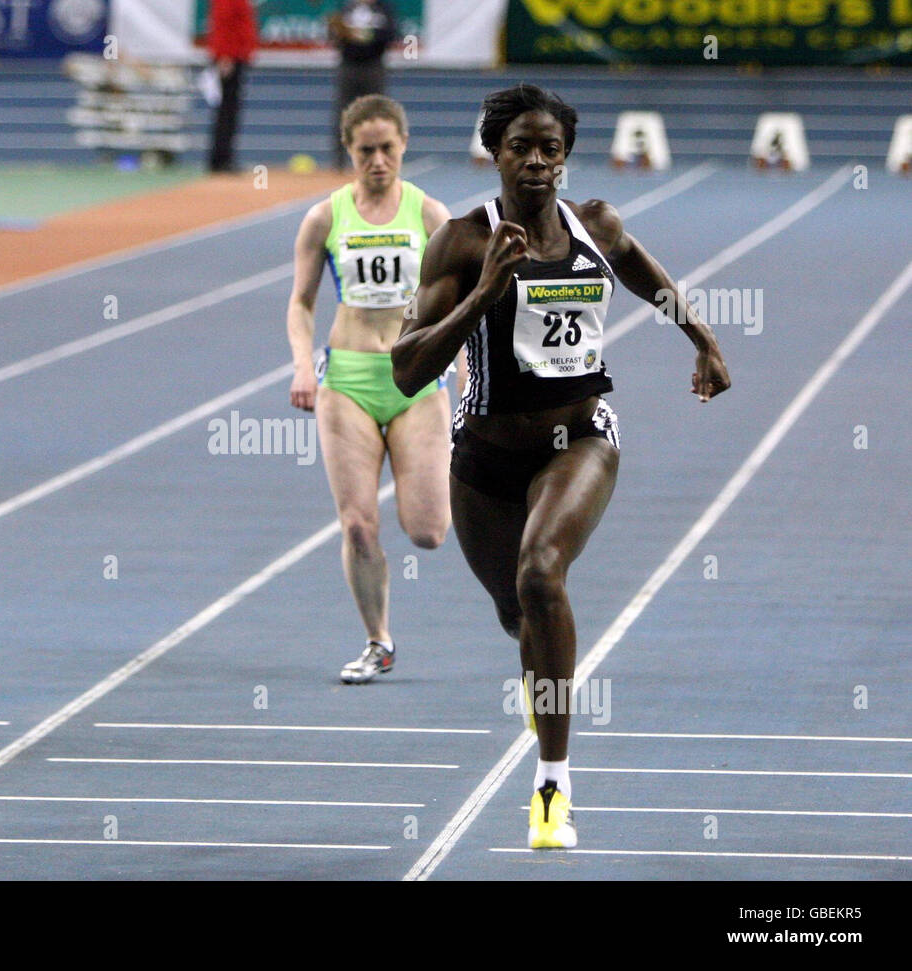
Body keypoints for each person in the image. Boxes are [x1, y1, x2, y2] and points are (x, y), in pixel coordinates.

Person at [392, 83, 729, 848]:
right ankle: (537, 663)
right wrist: (481, 296)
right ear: (495, 152)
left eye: (552, 149)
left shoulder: (597, 225)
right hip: (483, 457)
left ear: (566, 158)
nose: (538, 162)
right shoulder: (461, 242)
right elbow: (407, 369)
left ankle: (552, 784)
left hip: (580, 440)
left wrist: (702, 338)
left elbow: (644, 274)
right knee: (517, 615)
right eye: (522, 147)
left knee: (541, 574)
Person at [288, 95, 461, 685]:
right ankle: (378, 639)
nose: (378, 161)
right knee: (358, 524)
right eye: (366, 151)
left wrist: (461, 357)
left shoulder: (431, 214)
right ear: (349, 151)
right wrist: (300, 366)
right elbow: (301, 302)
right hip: (348, 381)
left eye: (388, 148)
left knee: (428, 531)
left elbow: (466, 298)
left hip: (414, 380)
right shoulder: (325, 218)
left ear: (404, 146)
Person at [328, 0, 398, 169]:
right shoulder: (346, 8)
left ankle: (379, 158)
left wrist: (363, 36)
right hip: (349, 66)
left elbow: (391, 35)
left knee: (377, 114)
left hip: (373, 66)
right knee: (345, 113)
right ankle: (339, 161)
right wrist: (340, 33)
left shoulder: (382, 9)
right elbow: (333, 35)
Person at [205, 0, 259, 173]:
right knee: (226, 111)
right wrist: (224, 55)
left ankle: (224, 157)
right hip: (229, 57)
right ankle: (220, 159)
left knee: (230, 110)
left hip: (235, 55)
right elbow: (222, 23)